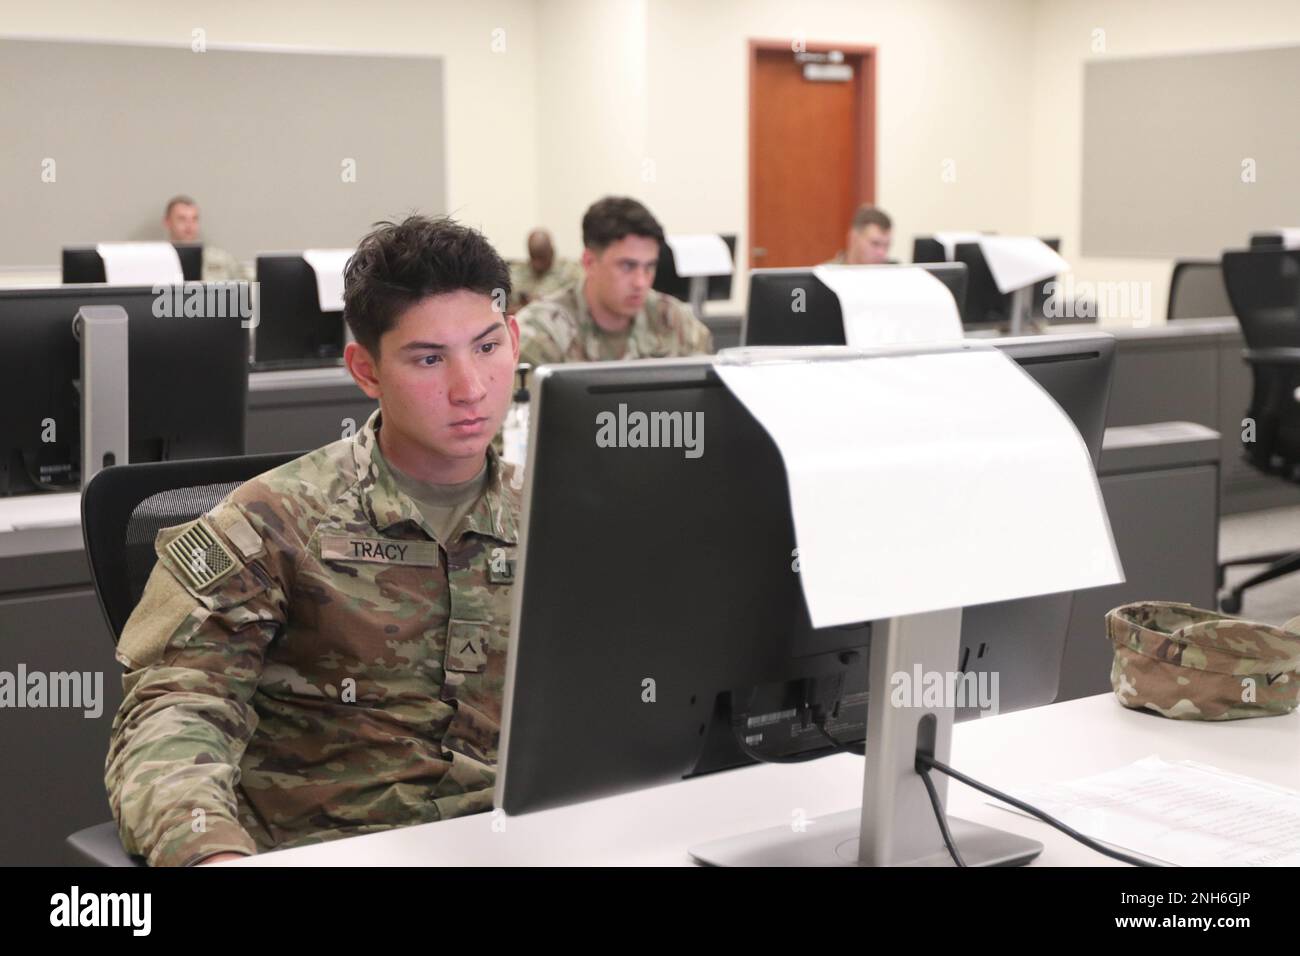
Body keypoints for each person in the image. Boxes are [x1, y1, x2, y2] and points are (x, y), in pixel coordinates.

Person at [105, 215, 522, 866]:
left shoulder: (559, 514)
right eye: (429, 359)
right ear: (366, 370)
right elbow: (178, 713)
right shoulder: (268, 521)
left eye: (487, 348)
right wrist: (207, 852)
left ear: (515, 339)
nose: (470, 388)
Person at [516, 197, 712, 368]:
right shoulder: (540, 332)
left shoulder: (675, 322)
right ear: (590, 262)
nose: (641, 282)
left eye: (649, 267)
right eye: (627, 266)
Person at [161, 195, 249, 281]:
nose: (189, 225)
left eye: (194, 219)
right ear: (167, 222)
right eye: (182, 219)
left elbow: (251, 282)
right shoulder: (158, 259)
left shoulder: (221, 258)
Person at [508, 229, 578, 311]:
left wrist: (544, 303)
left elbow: (577, 309)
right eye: (533, 257)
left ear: (551, 251)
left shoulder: (570, 272)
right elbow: (500, 310)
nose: (537, 264)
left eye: (541, 257)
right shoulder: (515, 272)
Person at [827, 204, 892, 265]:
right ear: (854, 238)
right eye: (875, 243)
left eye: (886, 246)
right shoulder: (825, 274)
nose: (882, 253)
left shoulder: (893, 273)